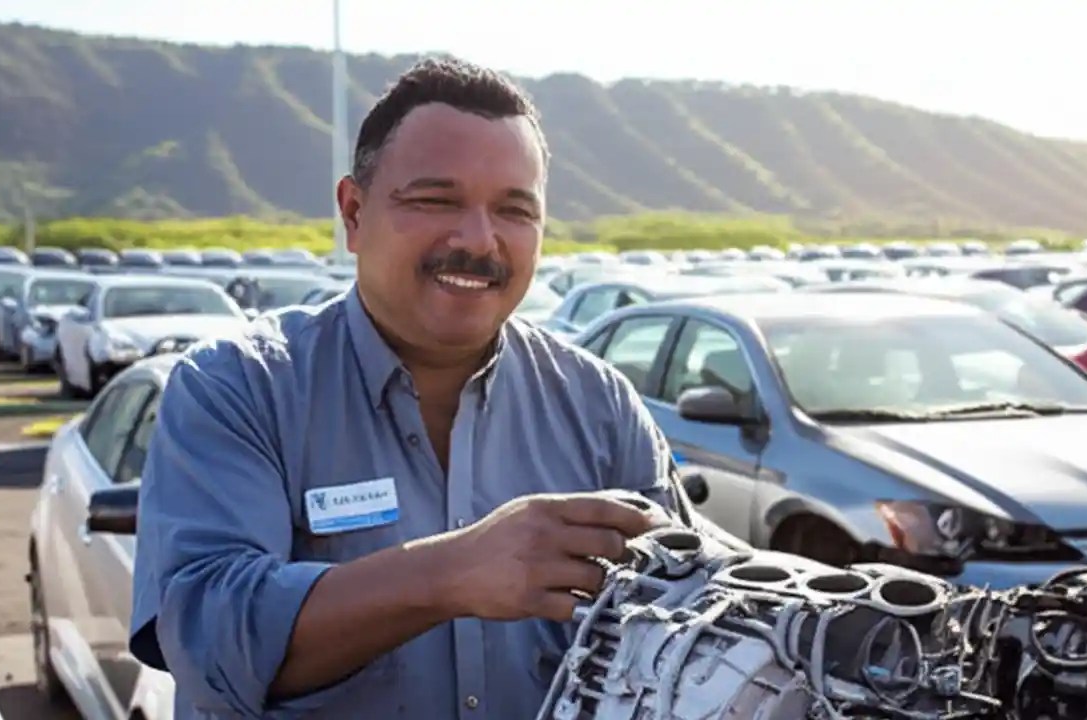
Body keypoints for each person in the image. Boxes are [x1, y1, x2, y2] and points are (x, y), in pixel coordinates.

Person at [129, 57, 741, 719]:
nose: (478, 240)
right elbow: (207, 645)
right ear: (353, 212)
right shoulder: (239, 387)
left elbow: (693, 624)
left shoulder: (600, 406)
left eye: (514, 210)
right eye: (435, 200)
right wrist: (451, 573)